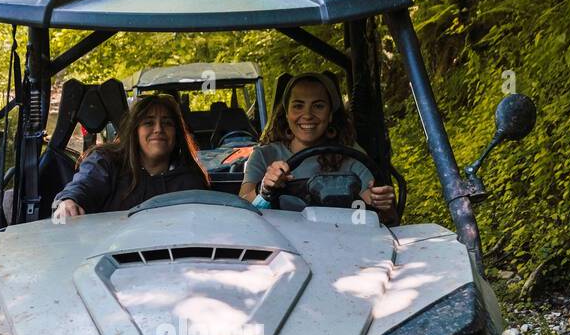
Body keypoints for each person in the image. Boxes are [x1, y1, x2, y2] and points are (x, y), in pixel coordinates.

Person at [239, 73, 398, 225]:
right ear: (286, 113)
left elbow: (378, 216)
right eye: (298, 106)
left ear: (330, 114)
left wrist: (382, 203)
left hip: (341, 242)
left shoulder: (352, 157)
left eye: (318, 106)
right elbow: (242, 208)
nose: (307, 115)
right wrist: (265, 188)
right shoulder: (263, 155)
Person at [52, 94, 209, 218]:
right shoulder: (105, 162)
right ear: (135, 130)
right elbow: (83, 186)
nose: (158, 129)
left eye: (167, 123)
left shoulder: (189, 179)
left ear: (177, 133)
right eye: (148, 123)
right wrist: (69, 201)